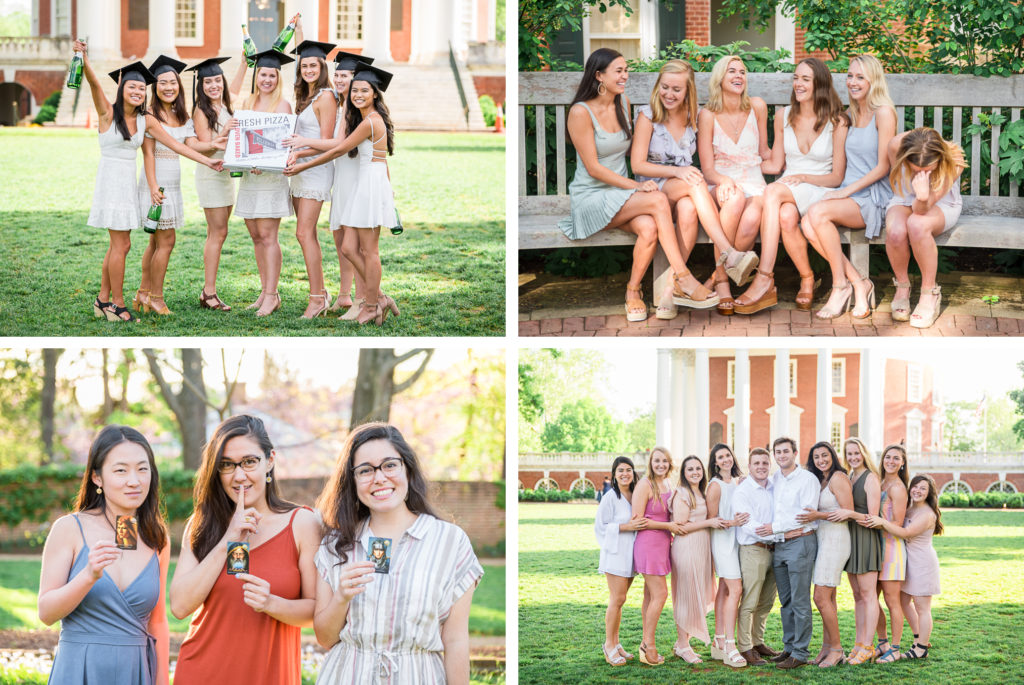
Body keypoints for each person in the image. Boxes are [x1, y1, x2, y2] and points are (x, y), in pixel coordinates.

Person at [312, 423, 483, 683]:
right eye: (365, 470)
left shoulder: (450, 542)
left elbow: (456, 639)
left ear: (408, 470)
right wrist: (341, 597)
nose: (379, 478)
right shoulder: (336, 545)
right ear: (353, 481)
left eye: (390, 465)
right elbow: (325, 638)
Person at [75, 43, 222, 323]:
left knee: (120, 245)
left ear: (146, 92)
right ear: (121, 89)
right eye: (131, 87)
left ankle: (103, 298)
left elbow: (176, 146)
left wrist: (209, 161)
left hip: (128, 184)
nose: (137, 92)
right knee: (122, 246)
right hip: (110, 183)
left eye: (141, 89)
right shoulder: (108, 113)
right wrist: (83, 59)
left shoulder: (145, 120)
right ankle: (116, 305)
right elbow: (94, 85)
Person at [171, 415, 320, 685]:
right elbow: (180, 606)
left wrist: (271, 604)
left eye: (249, 462)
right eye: (227, 465)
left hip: (270, 676)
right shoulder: (202, 525)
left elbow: (317, 613)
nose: (239, 476)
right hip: (201, 674)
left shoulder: (302, 523)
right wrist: (229, 538)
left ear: (270, 461)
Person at [555, 48, 682, 322]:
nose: (625, 76)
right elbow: (594, 168)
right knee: (658, 200)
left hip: (620, 197)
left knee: (648, 227)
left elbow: (630, 150)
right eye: (619, 71)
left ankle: (632, 290)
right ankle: (683, 276)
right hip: (591, 198)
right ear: (599, 75)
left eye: (626, 70)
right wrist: (635, 186)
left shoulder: (622, 102)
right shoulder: (580, 112)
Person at [38, 425, 170, 685]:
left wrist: (162, 680)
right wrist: (88, 575)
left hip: (136, 672)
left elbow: (158, 622)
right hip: (79, 670)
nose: (134, 480)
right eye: (121, 470)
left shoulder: (157, 537)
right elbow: (46, 613)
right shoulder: (69, 529)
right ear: (97, 477)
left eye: (142, 469)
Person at [285, 64, 401, 326]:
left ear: (375, 95)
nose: (358, 94)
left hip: (369, 184)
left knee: (369, 251)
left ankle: (371, 305)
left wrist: (302, 164)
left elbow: (338, 150)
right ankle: (380, 297)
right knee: (349, 247)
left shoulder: (370, 121)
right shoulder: (364, 118)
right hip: (365, 181)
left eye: (364, 90)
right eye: (355, 90)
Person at [631, 59, 743, 317]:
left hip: (682, 190)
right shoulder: (648, 115)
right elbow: (638, 164)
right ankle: (728, 251)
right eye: (665, 87)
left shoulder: (694, 116)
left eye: (677, 90)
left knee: (689, 208)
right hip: (653, 190)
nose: (669, 94)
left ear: (688, 92)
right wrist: (677, 171)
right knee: (694, 183)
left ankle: (671, 290)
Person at [738, 57, 848, 314]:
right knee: (786, 216)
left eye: (805, 79)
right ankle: (807, 278)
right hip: (789, 190)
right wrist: (734, 167)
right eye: (796, 78)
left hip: (820, 188)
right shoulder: (783, 116)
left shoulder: (837, 121)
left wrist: (804, 178)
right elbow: (775, 165)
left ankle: (764, 277)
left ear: (819, 84)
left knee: (773, 190)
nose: (798, 84)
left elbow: (837, 177)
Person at [802, 54, 896, 320]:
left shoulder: (884, 113)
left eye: (860, 77)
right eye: (850, 76)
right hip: (849, 194)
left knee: (817, 214)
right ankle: (858, 282)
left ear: (873, 81)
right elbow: (838, 168)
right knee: (808, 222)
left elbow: (883, 167)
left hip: (871, 196)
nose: (853, 82)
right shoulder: (849, 115)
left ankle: (839, 285)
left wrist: (845, 191)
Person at [696, 55, 770, 315]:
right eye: (732, 72)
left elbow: (764, 151)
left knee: (752, 219)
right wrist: (723, 180)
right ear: (720, 78)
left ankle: (715, 278)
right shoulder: (707, 115)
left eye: (742, 72)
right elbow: (707, 168)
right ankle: (725, 282)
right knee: (735, 199)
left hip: (754, 180)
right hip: (722, 180)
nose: (739, 76)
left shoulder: (757, 107)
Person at [231, 49, 295, 317]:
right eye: (263, 74)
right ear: (256, 76)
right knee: (256, 237)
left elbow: (284, 143)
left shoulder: (283, 106)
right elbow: (242, 138)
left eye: (272, 75)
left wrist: (265, 161)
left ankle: (272, 294)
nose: (266, 79)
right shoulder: (247, 103)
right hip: (250, 177)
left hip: (270, 178)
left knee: (269, 237)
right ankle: (265, 290)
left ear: (278, 78)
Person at [884, 128, 966, 327]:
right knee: (895, 232)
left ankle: (929, 293)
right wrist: (914, 191)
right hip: (904, 199)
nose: (922, 174)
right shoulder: (897, 144)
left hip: (940, 203)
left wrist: (922, 195)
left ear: (940, 158)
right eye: (915, 169)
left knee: (916, 224)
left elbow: (921, 209)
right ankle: (902, 287)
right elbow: (900, 186)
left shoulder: (953, 159)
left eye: (928, 169)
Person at [133, 55, 195, 316]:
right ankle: (156, 298)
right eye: (162, 83)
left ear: (179, 85)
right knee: (166, 241)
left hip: (173, 184)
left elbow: (191, 146)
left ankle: (143, 293)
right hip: (156, 185)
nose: (168, 87)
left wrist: (220, 142)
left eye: (173, 82)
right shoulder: (149, 115)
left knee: (156, 244)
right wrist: (153, 188)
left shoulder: (181, 115)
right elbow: (148, 154)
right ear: (154, 87)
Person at [863, 474, 942, 660]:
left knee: (922, 607)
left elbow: (906, 532)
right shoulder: (911, 509)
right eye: (915, 487)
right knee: (904, 603)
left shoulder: (927, 514)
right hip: (908, 562)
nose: (918, 491)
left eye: (923, 488)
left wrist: (883, 522)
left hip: (922, 563)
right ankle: (918, 637)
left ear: (930, 493)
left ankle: (921, 648)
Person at [287, 39, 338, 319]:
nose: (308, 69)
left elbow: (328, 142)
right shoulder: (305, 96)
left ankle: (317, 298)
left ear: (322, 66)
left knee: (303, 233)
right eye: (304, 65)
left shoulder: (326, 97)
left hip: (315, 169)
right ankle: (322, 292)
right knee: (308, 234)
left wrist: (300, 147)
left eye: (313, 65)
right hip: (299, 167)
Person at [758, 437, 820, 669]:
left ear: (795, 452)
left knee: (800, 600)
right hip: (780, 545)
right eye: (778, 452)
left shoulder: (807, 480)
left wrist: (773, 528)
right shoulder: (775, 479)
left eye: (786, 451)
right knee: (786, 601)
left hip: (801, 542)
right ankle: (789, 647)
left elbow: (804, 515)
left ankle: (800, 653)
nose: (781, 455)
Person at [795, 441, 853, 667]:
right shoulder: (820, 480)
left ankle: (837, 649)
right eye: (817, 456)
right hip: (823, 540)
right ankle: (826, 648)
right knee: (828, 598)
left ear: (832, 456)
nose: (821, 460)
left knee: (819, 597)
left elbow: (848, 512)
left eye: (825, 455)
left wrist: (817, 515)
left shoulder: (838, 477)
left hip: (836, 540)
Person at [185, 56, 236, 312]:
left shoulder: (226, 105)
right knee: (218, 233)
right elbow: (206, 148)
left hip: (226, 175)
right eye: (208, 82)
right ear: (201, 85)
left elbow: (236, 85)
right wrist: (225, 131)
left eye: (217, 80)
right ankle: (209, 292)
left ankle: (209, 289)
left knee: (218, 232)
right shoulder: (201, 111)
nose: (214, 85)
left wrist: (246, 64)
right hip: (210, 173)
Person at [326, 51, 374, 319]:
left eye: (345, 75)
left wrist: (303, 146)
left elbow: (339, 145)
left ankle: (361, 299)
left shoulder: (356, 110)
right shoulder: (339, 103)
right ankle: (345, 295)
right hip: (341, 177)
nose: (339, 78)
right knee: (340, 239)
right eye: (337, 74)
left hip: (356, 178)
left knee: (353, 245)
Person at [826, 437, 883, 665]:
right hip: (851, 539)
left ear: (864, 453)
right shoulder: (850, 477)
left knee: (869, 596)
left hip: (866, 538)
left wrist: (849, 514)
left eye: (856, 453)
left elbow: (874, 518)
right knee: (857, 596)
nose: (853, 457)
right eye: (849, 454)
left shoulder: (871, 478)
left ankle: (868, 646)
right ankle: (859, 644)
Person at [670, 455, 727, 664]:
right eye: (690, 469)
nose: (695, 472)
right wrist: (709, 522)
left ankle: (682, 642)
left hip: (702, 549)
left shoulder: (701, 492)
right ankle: (683, 646)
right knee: (686, 596)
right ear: (683, 474)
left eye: (698, 468)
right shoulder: (682, 493)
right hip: (687, 548)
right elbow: (680, 525)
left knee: (698, 595)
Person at [594, 456, 647, 666]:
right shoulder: (610, 497)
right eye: (620, 470)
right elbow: (601, 527)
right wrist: (626, 527)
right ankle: (608, 645)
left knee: (621, 600)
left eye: (628, 470)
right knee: (616, 599)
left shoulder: (635, 495)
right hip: (615, 553)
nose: (625, 473)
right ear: (614, 475)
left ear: (634, 473)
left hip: (630, 556)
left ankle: (616, 643)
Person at [731, 448, 781, 666]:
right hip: (753, 549)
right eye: (756, 463)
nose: (761, 466)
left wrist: (776, 533)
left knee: (766, 602)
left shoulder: (774, 487)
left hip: (774, 550)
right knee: (750, 601)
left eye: (764, 463)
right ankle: (745, 648)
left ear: (769, 465)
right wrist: (773, 530)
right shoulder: (743, 491)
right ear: (749, 467)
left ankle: (758, 641)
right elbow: (747, 524)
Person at [705, 444, 750, 667]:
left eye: (728, 455)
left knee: (724, 590)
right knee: (736, 589)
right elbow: (712, 519)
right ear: (715, 462)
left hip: (738, 539)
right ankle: (731, 646)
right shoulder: (715, 486)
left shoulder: (738, 481)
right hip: (723, 542)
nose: (725, 459)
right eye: (720, 457)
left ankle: (719, 639)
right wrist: (733, 522)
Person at [630, 447, 676, 665]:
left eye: (665, 461)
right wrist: (669, 525)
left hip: (663, 545)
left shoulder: (667, 484)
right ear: (651, 462)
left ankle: (644, 642)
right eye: (657, 461)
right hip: (648, 544)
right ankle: (649, 644)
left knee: (650, 596)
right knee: (661, 594)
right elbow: (637, 520)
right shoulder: (644, 484)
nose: (661, 464)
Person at [871, 443, 910, 662]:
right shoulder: (879, 481)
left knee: (892, 600)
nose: (891, 461)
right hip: (874, 547)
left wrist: (879, 522)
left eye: (896, 458)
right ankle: (882, 641)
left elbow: (898, 523)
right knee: (871, 598)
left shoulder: (897, 488)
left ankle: (894, 648)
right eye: (888, 457)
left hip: (892, 550)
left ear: (903, 463)